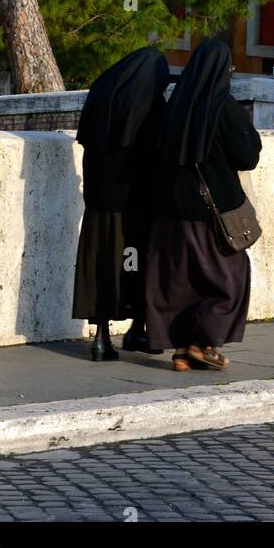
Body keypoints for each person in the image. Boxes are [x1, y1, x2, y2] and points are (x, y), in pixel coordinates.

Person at [144, 38, 261, 371]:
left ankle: (182, 351)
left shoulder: (174, 105)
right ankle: (201, 342)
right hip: (210, 214)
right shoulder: (224, 107)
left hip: (168, 213)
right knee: (230, 279)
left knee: (180, 283)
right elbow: (246, 156)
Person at [72, 46, 169, 362]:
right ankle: (138, 328)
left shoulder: (103, 100)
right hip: (134, 208)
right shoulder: (148, 107)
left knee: (100, 269)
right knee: (135, 266)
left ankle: (101, 339)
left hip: (98, 207)